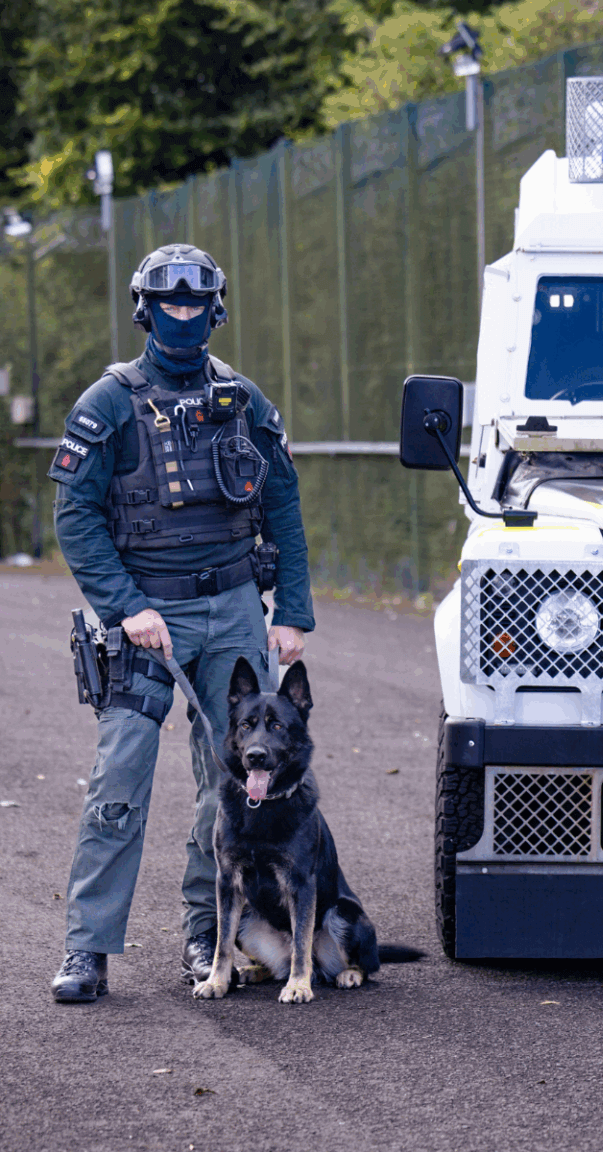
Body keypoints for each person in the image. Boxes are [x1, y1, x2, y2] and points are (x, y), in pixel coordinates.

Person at [47, 244, 314, 1002]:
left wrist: (291, 611)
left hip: (233, 611)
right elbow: (76, 516)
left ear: (217, 308)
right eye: (172, 304)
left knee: (234, 783)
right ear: (146, 309)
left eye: (198, 304)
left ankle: (209, 937)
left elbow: (284, 504)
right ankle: (87, 951)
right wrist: (126, 606)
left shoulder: (245, 399)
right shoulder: (109, 403)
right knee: (119, 780)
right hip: (146, 620)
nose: (186, 316)